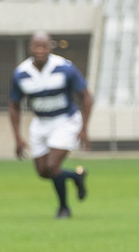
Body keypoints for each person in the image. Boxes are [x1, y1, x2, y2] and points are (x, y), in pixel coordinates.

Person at [9, 31, 91, 219]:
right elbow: (13, 105)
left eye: (43, 46)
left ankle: (64, 208)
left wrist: (84, 129)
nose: (39, 50)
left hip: (65, 121)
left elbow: (87, 97)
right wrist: (17, 137)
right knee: (43, 172)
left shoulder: (65, 68)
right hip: (41, 122)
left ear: (51, 47)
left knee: (53, 167)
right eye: (36, 46)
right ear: (29, 48)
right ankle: (76, 176)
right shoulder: (21, 73)